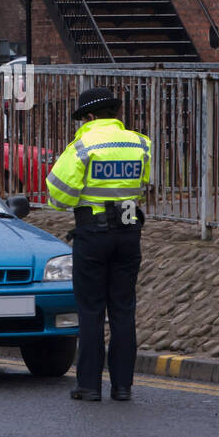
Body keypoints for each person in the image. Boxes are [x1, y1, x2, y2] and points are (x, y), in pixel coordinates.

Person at [45, 87, 152, 402]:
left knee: (91, 311)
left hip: (93, 234)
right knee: (123, 309)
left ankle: (89, 386)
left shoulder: (82, 146)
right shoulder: (140, 144)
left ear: (90, 117)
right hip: (129, 233)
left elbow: (58, 195)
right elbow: (144, 186)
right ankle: (122, 387)